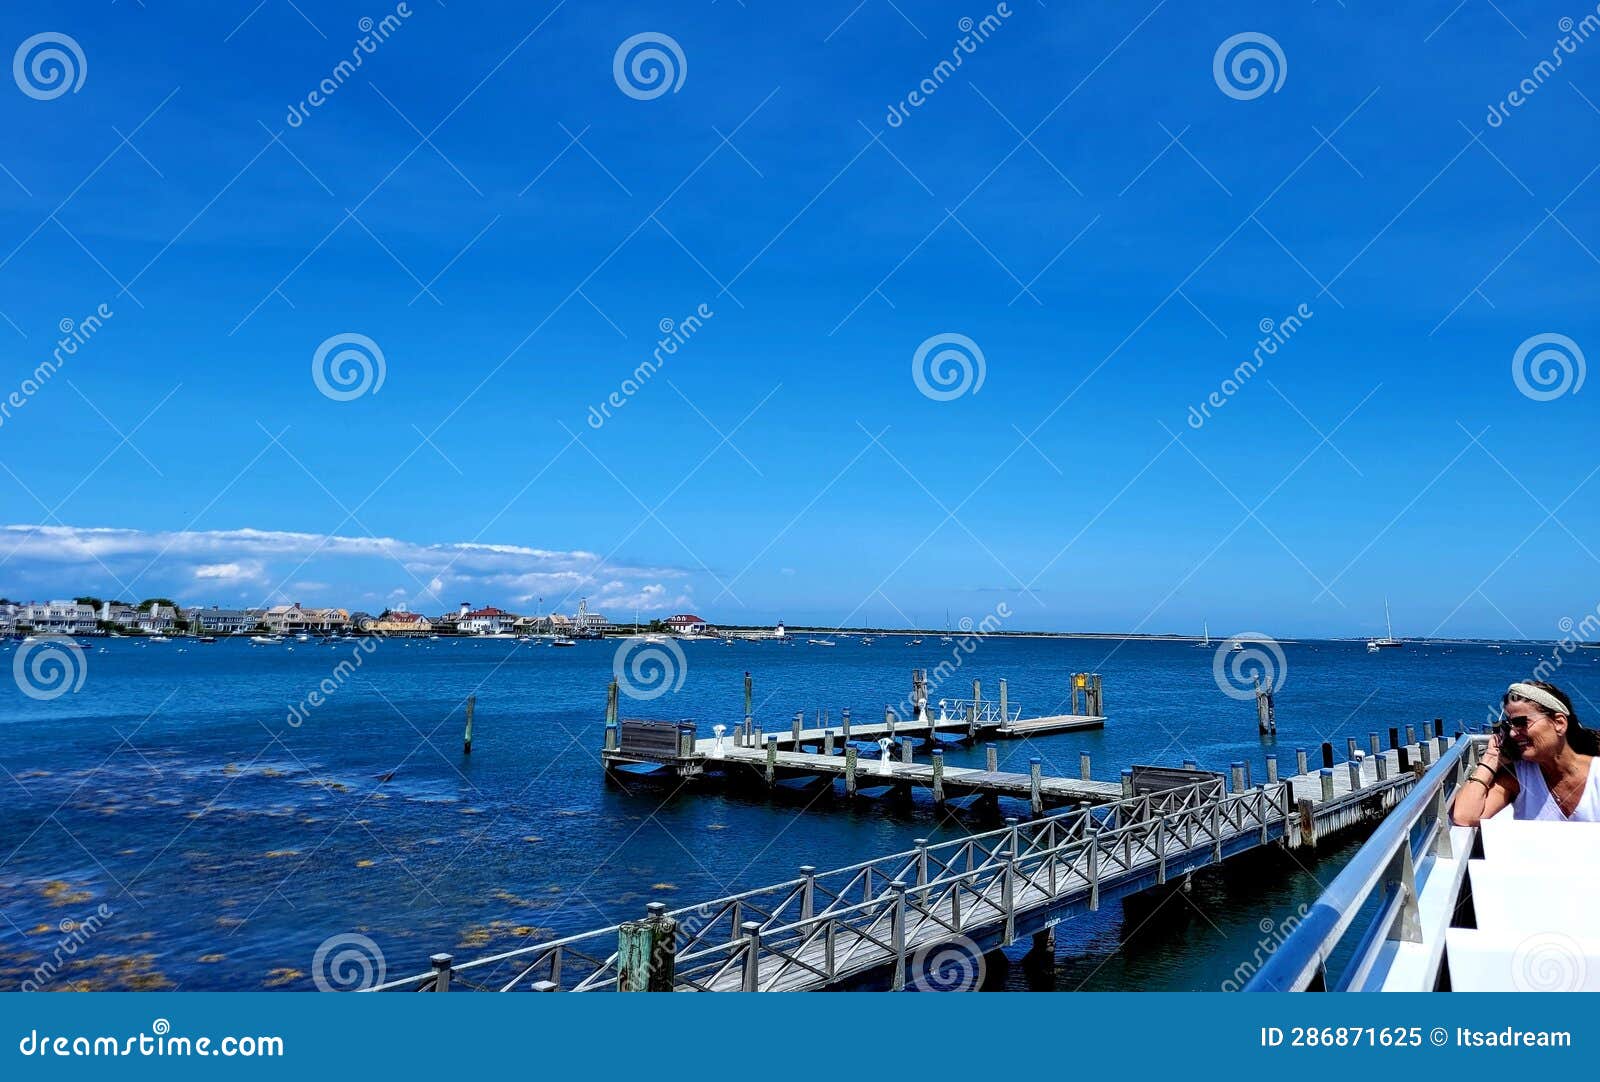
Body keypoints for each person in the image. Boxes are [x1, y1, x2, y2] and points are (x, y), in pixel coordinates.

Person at [1452, 680, 1600, 826]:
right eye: (1508, 725)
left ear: (1559, 723)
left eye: (1521, 722)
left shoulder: (1596, 775)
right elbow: (1464, 816)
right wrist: (1491, 758)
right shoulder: (1519, 778)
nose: (1512, 733)